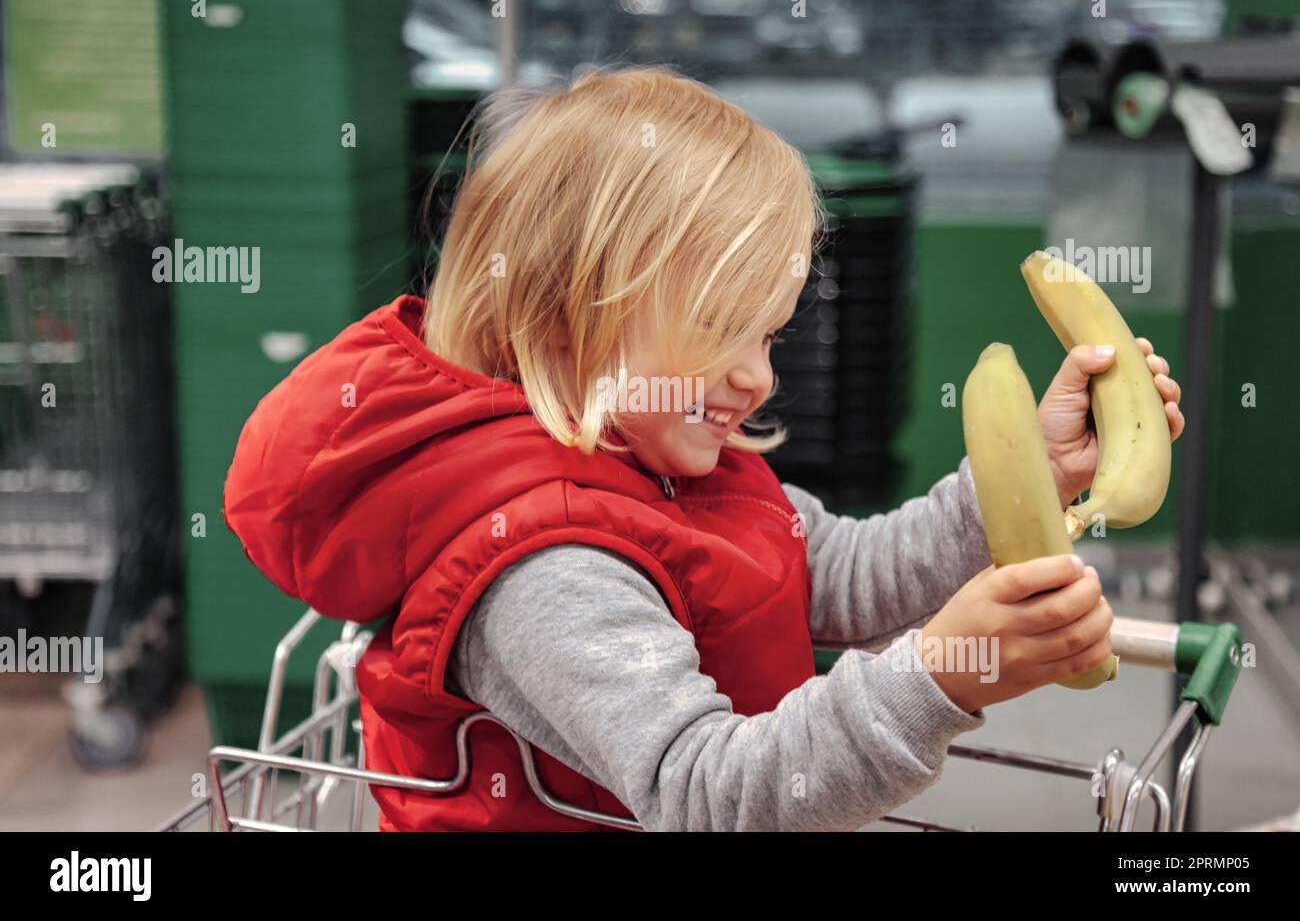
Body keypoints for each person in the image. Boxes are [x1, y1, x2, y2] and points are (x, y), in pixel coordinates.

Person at [224, 66, 1184, 831]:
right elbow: (705, 795)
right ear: (568, 324)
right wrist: (938, 676)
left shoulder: (667, 464)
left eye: (767, 337)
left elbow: (839, 572)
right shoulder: (546, 571)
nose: (759, 379)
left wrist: (1025, 484)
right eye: (722, 327)